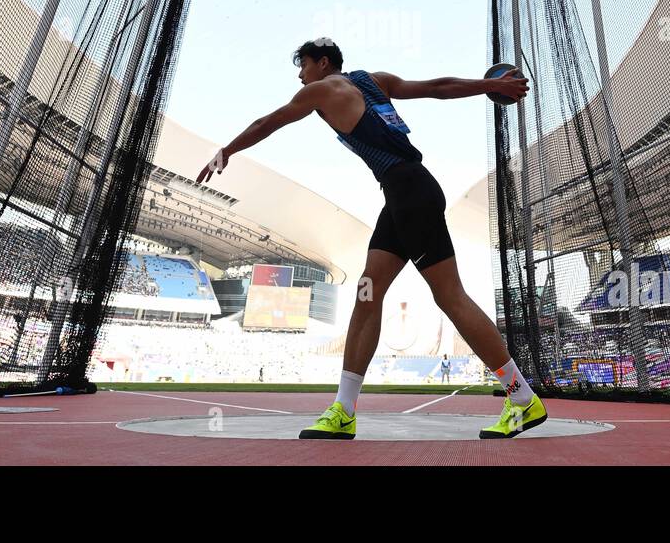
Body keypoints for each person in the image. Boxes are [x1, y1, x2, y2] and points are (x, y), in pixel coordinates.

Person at [198, 37, 546, 439]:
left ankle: (521, 398)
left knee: (449, 296)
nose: (300, 75)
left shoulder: (320, 90)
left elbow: (269, 122)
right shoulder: (373, 80)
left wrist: (227, 150)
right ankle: (343, 410)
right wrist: (487, 86)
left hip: (410, 192)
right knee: (367, 289)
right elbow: (436, 87)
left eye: (303, 66)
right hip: (402, 194)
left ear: (322, 64)